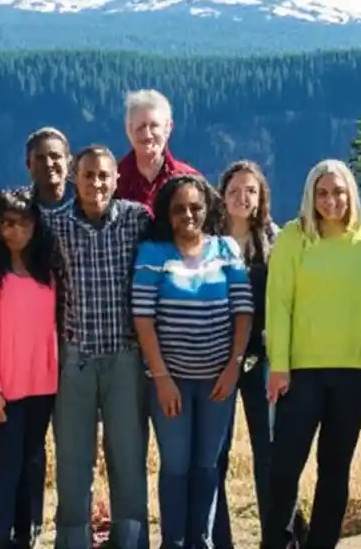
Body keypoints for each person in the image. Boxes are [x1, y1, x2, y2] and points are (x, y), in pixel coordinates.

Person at [263, 159, 361, 549]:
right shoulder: (293, 237)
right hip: (301, 372)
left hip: (354, 372)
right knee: (285, 469)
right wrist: (279, 365)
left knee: (334, 472)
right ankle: (276, 542)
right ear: (310, 196)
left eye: (338, 192)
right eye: (322, 192)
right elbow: (279, 303)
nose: (330, 200)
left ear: (351, 193)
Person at [132, 175, 255, 548]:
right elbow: (143, 319)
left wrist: (234, 365)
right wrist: (161, 376)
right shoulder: (153, 253)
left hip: (218, 381)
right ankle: (173, 541)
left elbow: (243, 310)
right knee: (176, 465)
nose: (188, 215)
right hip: (170, 382)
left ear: (208, 209)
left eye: (195, 207)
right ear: (167, 214)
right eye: (179, 209)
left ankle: (200, 540)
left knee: (207, 466)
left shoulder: (226, 248)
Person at [50, 144, 153, 549]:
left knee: (128, 460)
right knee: (74, 463)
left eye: (104, 176)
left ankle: (131, 541)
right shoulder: (54, 225)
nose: (96, 183)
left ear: (116, 179)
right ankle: (73, 542)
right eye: (89, 175)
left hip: (125, 357)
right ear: (75, 176)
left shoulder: (136, 220)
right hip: (75, 358)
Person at [211, 160, 308, 549]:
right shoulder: (207, 241)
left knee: (270, 455)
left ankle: (280, 539)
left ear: (261, 196)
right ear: (222, 194)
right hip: (217, 360)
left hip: (265, 360)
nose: (242, 197)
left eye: (250, 190)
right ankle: (218, 540)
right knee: (214, 456)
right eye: (234, 190)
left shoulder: (278, 240)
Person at [0, 188, 62, 549]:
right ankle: (4, 537)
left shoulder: (45, 272)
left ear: (35, 226)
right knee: (9, 465)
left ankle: (29, 535)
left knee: (35, 462)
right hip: (3, 390)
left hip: (44, 385)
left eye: (23, 223)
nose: (15, 231)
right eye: (7, 223)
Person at [114, 89, 201, 212]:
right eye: (141, 127)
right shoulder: (114, 181)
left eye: (154, 126)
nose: (147, 135)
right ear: (129, 130)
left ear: (168, 128)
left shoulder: (190, 179)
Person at [26, 126, 76, 219]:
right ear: (29, 164)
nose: (48, 164)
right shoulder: (19, 207)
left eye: (55, 156)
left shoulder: (89, 204)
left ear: (69, 163)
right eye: (40, 158)